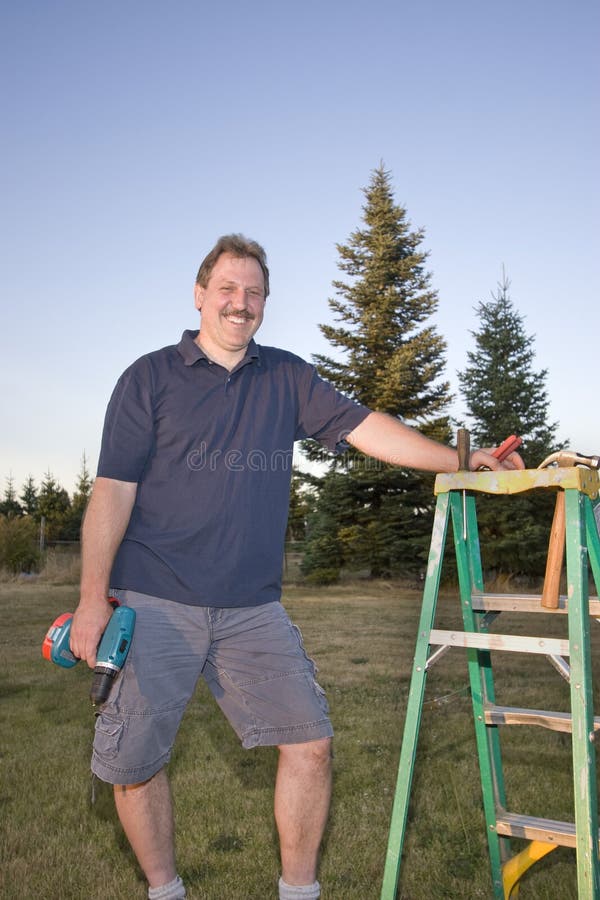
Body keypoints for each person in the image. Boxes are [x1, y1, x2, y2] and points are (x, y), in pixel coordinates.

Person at [70, 234, 523, 900]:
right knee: (135, 765)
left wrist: (461, 458)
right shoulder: (149, 378)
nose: (239, 302)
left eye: (253, 292)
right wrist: (90, 599)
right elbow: (112, 491)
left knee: (310, 743)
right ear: (200, 295)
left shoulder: (285, 377)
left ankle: (299, 893)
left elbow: (367, 426)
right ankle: (165, 890)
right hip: (155, 596)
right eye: (227, 288)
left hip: (252, 605)